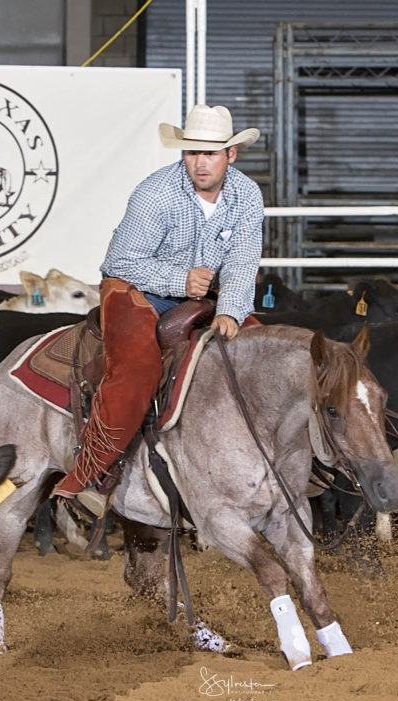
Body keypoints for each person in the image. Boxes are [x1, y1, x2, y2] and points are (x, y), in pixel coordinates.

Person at [52, 104, 265, 517]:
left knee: (258, 349)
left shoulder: (247, 196)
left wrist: (232, 311)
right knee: (137, 370)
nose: (200, 163)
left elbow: (242, 260)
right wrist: (180, 281)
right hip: (133, 290)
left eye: (211, 153)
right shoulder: (156, 193)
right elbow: (120, 262)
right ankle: (89, 474)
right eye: (192, 153)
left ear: (231, 155)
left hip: (202, 293)